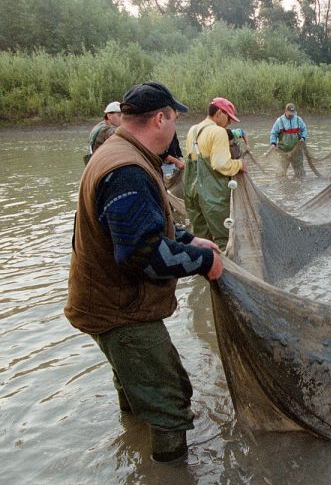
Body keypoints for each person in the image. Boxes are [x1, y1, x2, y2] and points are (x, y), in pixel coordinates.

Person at [65, 81, 224, 463]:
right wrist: (205, 262)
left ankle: (134, 450)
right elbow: (143, 254)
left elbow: (134, 226)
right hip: (120, 310)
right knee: (170, 399)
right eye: (174, 119)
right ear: (159, 119)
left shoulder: (119, 152)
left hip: (105, 302)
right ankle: (169, 472)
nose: (175, 128)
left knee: (134, 383)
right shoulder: (127, 171)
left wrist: (188, 238)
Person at [184, 97, 246, 250]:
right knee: (224, 237)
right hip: (213, 194)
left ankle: (204, 264)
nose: (229, 123)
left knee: (201, 238)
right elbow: (220, 164)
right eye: (229, 118)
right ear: (219, 113)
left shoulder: (193, 130)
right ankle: (226, 264)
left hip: (192, 192)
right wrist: (240, 164)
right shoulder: (218, 132)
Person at [269, 103, 307, 178]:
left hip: (297, 151)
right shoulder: (279, 121)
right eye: (290, 114)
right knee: (281, 173)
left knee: (300, 173)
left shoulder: (298, 119)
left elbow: (304, 129)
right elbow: (273, 133)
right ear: (285, 111)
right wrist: (273, 143)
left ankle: (300, 183)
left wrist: (303, 137)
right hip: (283, 151)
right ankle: (283, 184)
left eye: (293, 114)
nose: (291, 115)